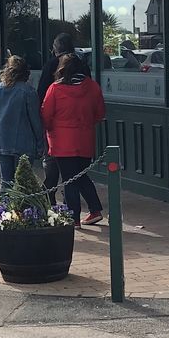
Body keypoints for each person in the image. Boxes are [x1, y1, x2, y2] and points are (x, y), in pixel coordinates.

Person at [41, 54, 105, 226]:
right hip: (85, 139)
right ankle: (95, 209)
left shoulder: (55, 88)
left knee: (69, 179)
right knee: (81, 175)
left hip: (62, 141)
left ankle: (73, 217)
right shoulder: (92, 87)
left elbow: (46, 115)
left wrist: (49, 129)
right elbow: (99, 113)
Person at [0, 56, 44, 192]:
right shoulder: (28, 91)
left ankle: (4, 212)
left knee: (6, 183)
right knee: (24, 184)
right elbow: (35, 120)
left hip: (4, 141)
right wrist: (40, 144)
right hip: (24, 143)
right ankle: (22, 211)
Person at [38, 33, 75, 200]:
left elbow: (41, 94)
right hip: (77, 123)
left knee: (51, 160)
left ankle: (49, 195)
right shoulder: (81, 65)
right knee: (73, 163)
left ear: (55, 49)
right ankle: (70, 195)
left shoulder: (50, 66)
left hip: (54, 122)